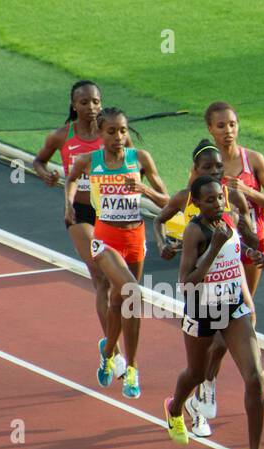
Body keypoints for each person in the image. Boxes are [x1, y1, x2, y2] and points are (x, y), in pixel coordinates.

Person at [155, 140, 264, 435]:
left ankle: (215, 397)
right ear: (195, 170)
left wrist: (254, 252)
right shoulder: (188, 203)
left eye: (218, 167)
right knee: (195, 369)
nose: (214, 172)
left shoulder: (232, 198)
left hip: (232, 286)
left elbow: (243, 238)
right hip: (201, 299)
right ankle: (179, 405)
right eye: (207, 167)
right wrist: (164, 245)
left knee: (240, 344)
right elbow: (185, 276)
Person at [64, 107, 169, 399]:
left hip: (135, 237)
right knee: (133, 293)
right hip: (105, 238)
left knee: (120, 302)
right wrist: (69, 204)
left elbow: (167, 201)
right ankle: (133, 367)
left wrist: (144, 191)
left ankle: (107, 351)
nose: (118, 137)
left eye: (123, 130)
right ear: (100, 133)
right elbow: (71, 179)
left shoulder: (141, 160)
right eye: (111, 131)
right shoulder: (89, 161)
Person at [33, 80, 127, 378]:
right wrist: (46, 173)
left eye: (95, 101)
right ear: (74, 105)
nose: (91, 107)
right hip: (78, 213)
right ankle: (115, 353)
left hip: (110, 212)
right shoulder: (63, 136)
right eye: (84, 102)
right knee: (101, 277)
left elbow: (131, 161)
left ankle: (107, 346)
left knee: (116, 287)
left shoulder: (110, 134)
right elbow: (38, 161)